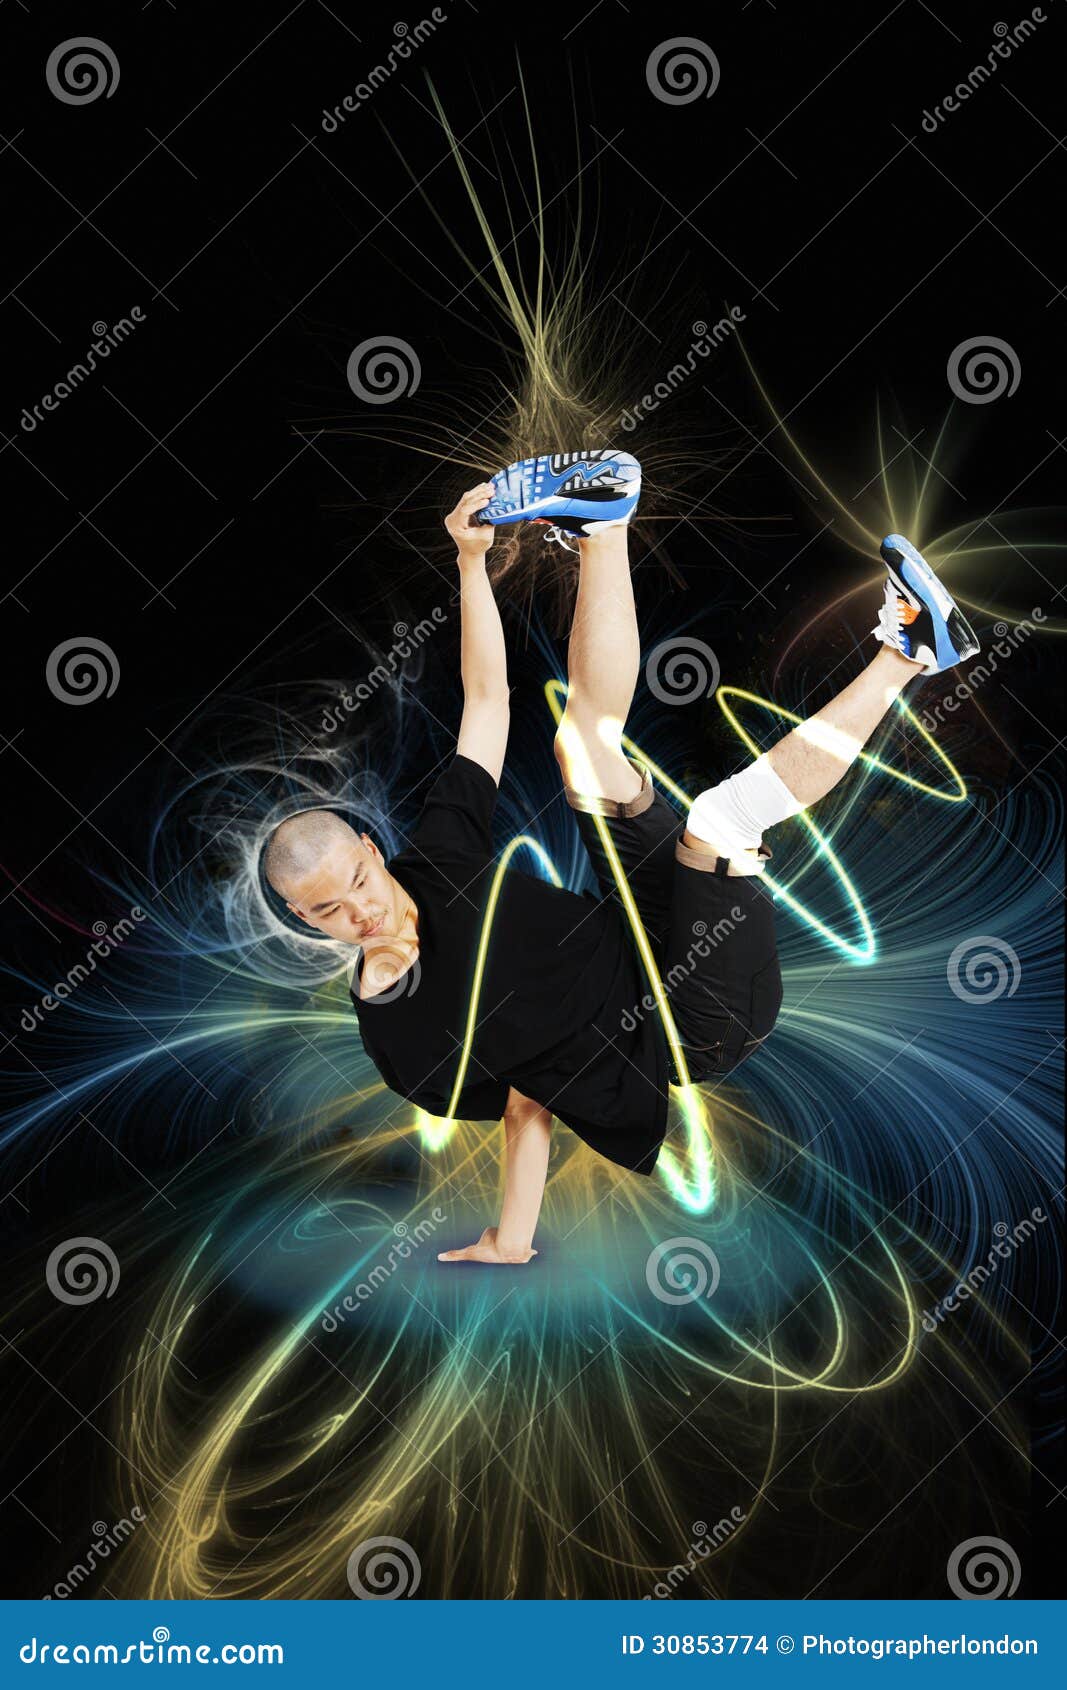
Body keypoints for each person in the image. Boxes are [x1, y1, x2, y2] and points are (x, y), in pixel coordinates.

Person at [263, 451, 980, 1265]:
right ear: (301, 918)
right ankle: (910, 657)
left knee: (583, 747)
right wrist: (511, 1237)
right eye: (328, 912)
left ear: (370, 849)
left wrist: (469, 562)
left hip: (644, 928)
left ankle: (604, 530)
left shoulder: (432, 857)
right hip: (691, 1024)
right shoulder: (396, 1031)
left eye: (359, 882)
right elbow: (526, 1105)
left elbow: (488, 700)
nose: (361, 912)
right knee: (719, 818)